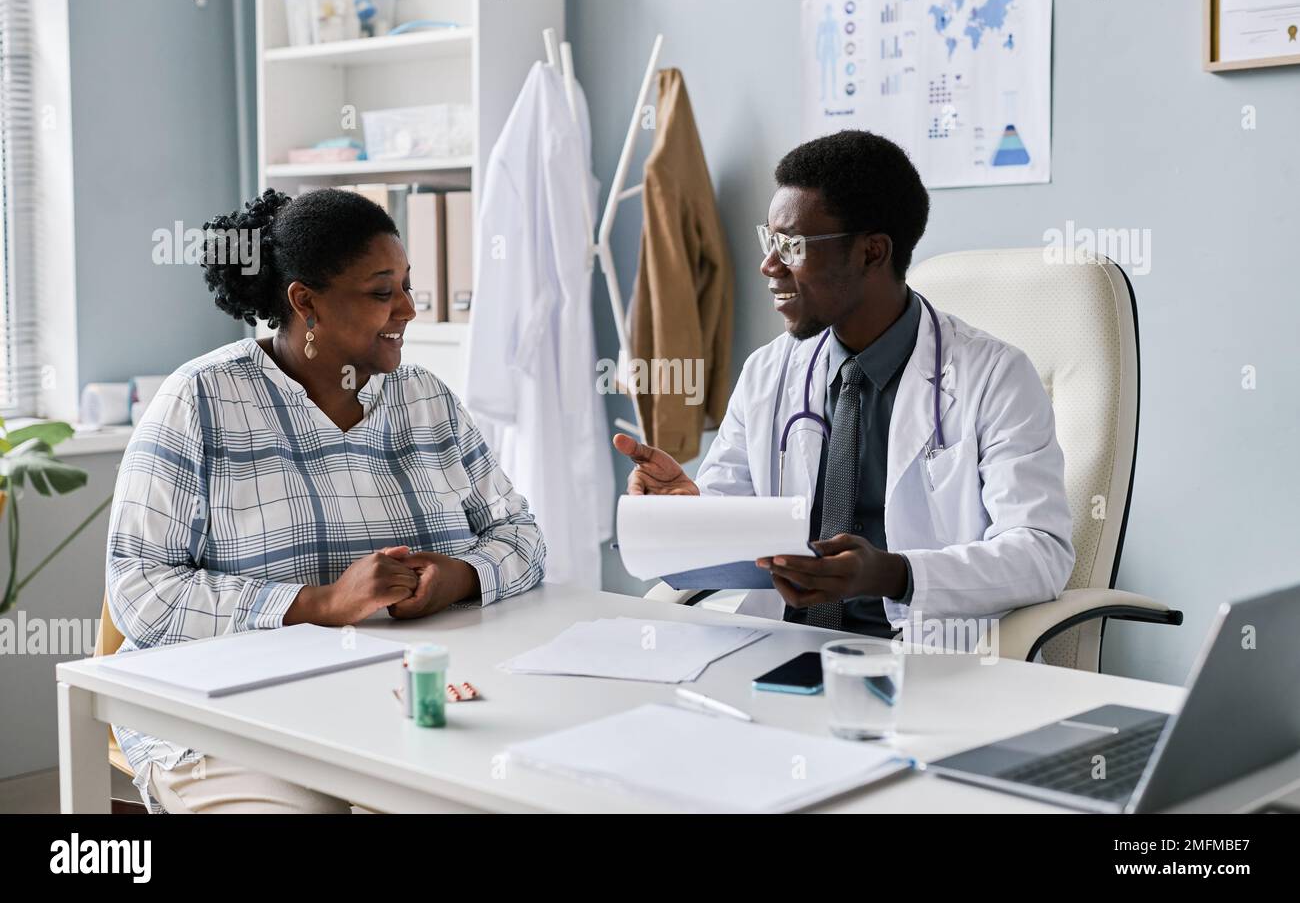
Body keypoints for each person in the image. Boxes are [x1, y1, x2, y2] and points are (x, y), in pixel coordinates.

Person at [106, 188, 545, 813]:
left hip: (393, 701)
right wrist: (317, 604)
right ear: (305, 301)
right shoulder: (201, 399)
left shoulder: (427, 400)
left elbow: (521, 534)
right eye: (381, 292)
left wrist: (461, 575)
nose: (409, 310)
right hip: (225, 722)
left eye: (408, 287)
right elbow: (139, 589)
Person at [614, 130, 1074, 642]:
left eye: (792, 246)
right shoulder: (768, 373)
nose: (769, 266)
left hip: (922, 662)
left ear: (872, 252)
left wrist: (892, 573)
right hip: (781, 651)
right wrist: (689, 509)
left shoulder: (994, 377)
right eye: (770, 241)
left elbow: (1041, 554)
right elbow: (735, 521)